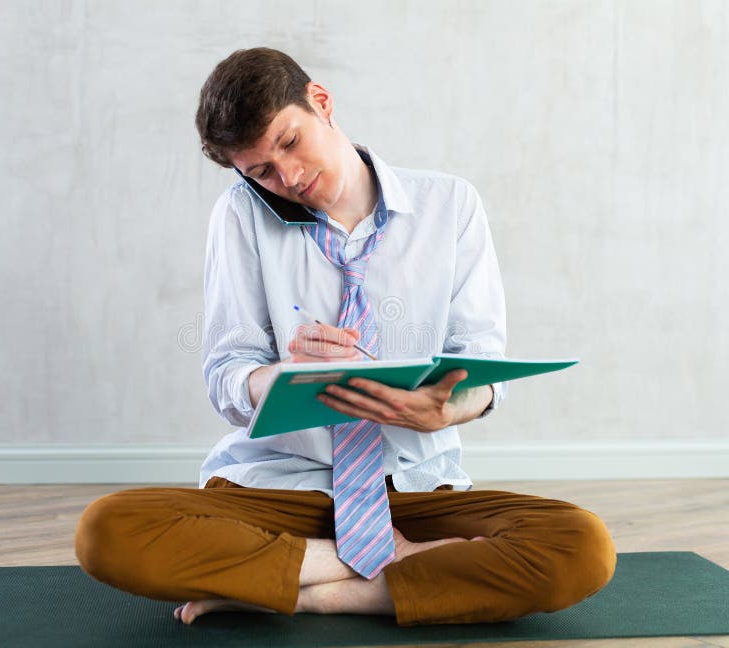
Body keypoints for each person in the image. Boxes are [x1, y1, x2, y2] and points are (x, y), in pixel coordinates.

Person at [75, 47, 615, 627]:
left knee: (581, 545)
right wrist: (280, 373)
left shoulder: (449, 205)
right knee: (108, 531)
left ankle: (316, 591)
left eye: (289, 143)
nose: (289, 178)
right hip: (276, 486)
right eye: (260, 171)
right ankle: (389, 567)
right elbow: (227, 373)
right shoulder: (239, 215)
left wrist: (445, 410)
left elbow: (480, 359)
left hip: (415, 485)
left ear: (322, 103)